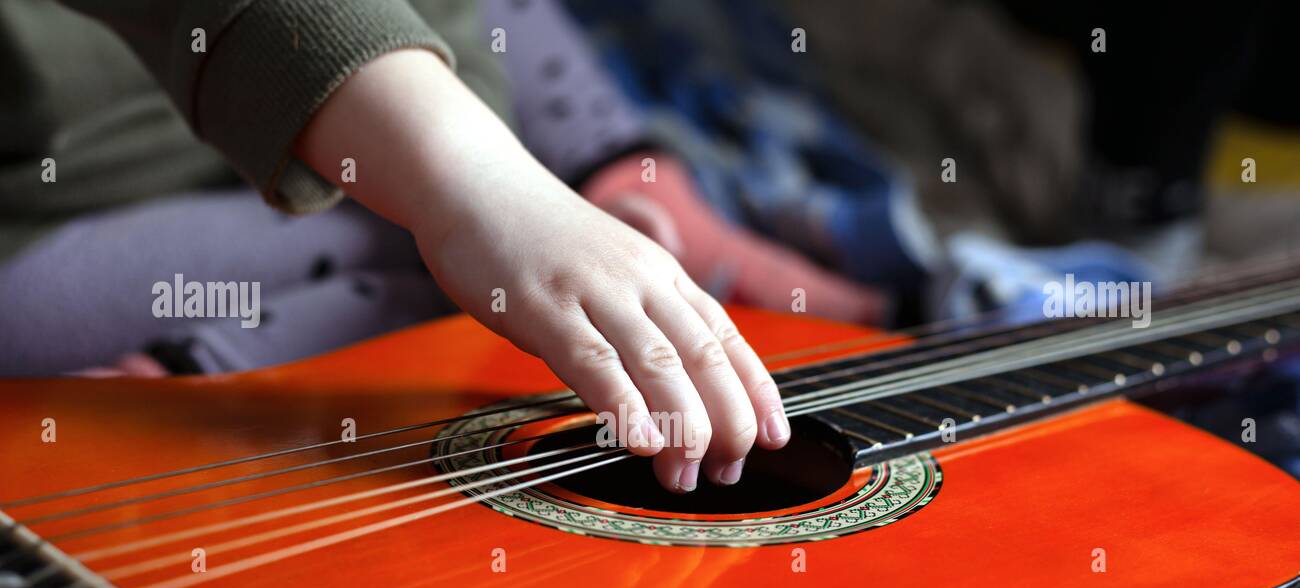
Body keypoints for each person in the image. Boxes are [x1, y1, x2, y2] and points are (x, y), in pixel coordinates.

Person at [0, 0, 793, 494]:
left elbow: (449, 33)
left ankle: (649, 200)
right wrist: (484, 190)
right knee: (452, 245)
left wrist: (536, 200)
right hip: (43, 223)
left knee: (512, 246)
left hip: (273, 174)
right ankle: (192, 377)